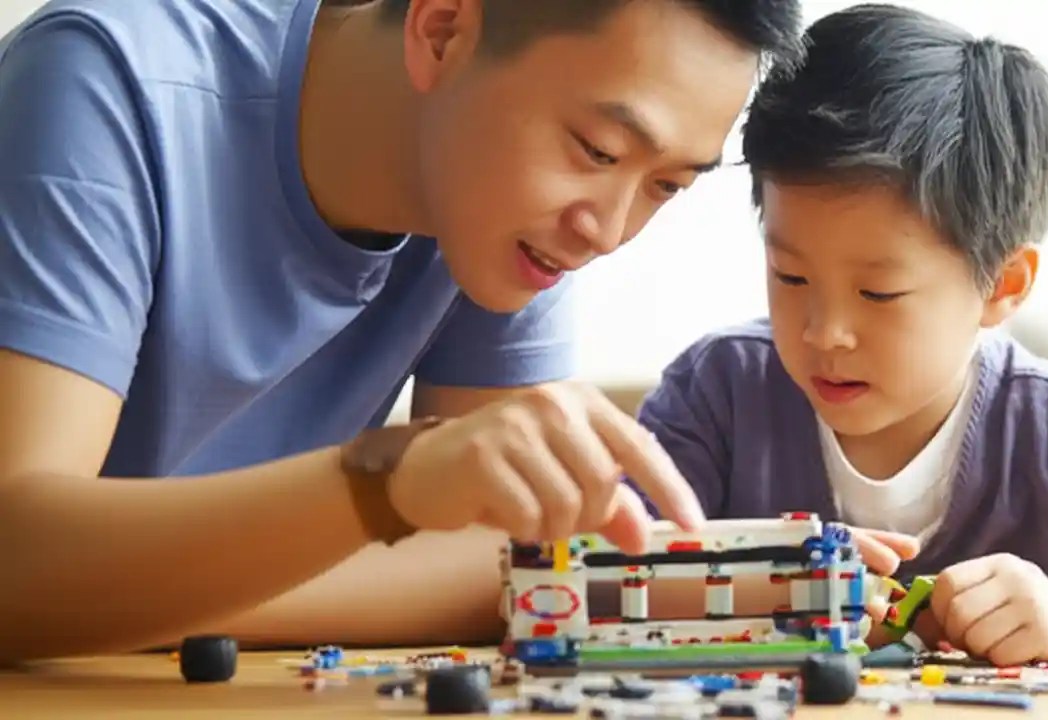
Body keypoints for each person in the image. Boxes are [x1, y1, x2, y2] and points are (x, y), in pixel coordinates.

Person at [0, 0, 811, 663]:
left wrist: (154, 600)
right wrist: (386, 485)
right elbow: (15, 564)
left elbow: (500, 564)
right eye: (597, 150)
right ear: (444, 29)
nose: (606, 230)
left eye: (665, 185)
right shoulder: (106, 86)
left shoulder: (504, 217)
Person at [633, 3, 1048, 664]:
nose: (825, 333)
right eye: (790, 276)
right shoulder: (721, 394)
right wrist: (767, 585)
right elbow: (567, 584)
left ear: (1002, 285)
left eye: (878, 292)